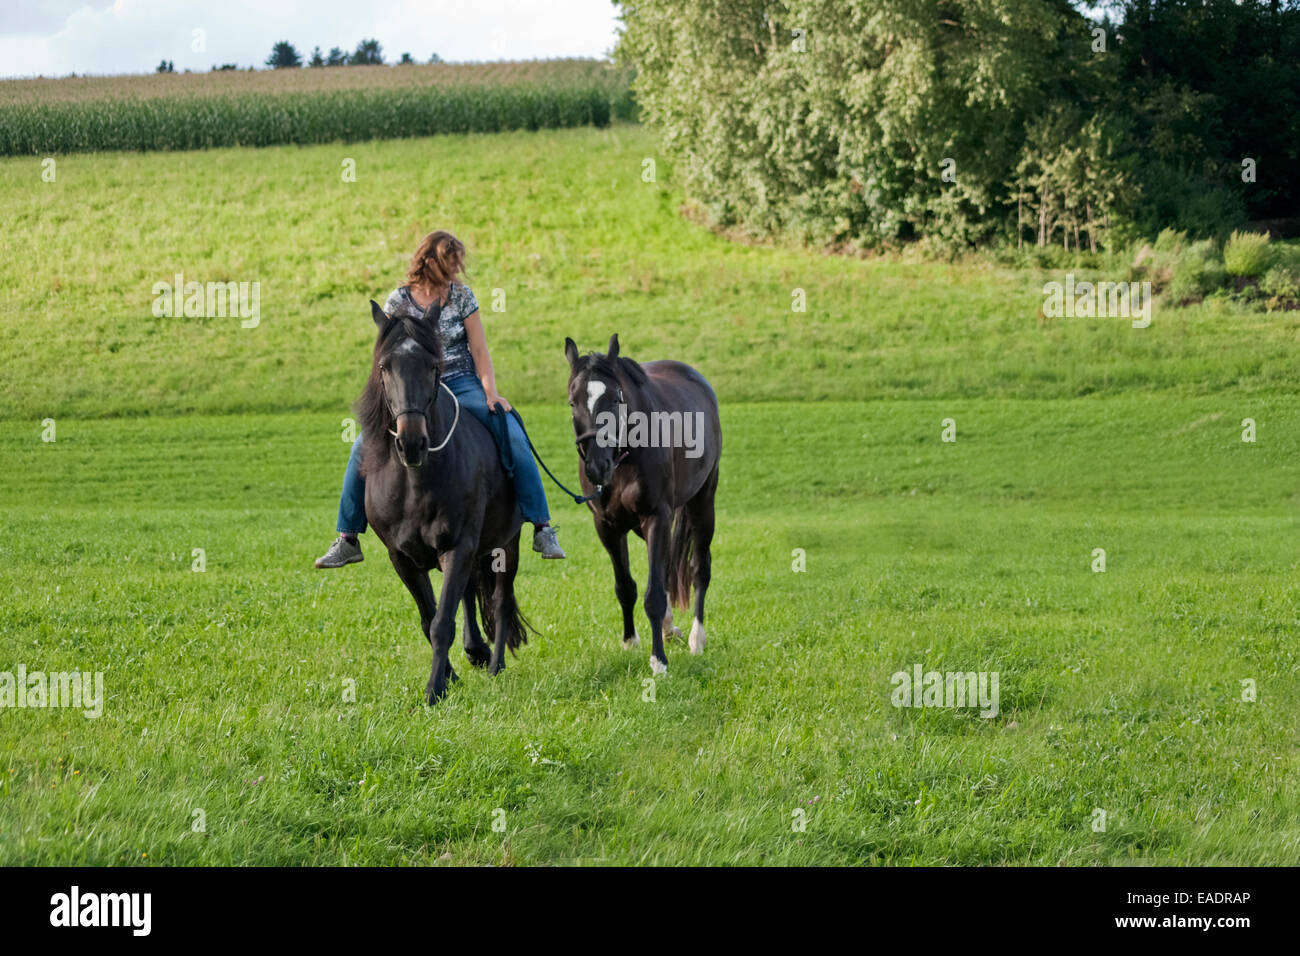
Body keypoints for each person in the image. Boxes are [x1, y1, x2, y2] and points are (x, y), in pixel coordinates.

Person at [315, 230, 564, 568]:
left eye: (458, 262)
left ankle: (542, 526)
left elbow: (479, 350)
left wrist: (490, 392)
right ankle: (347, 538)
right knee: (362, 446)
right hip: (412, 388)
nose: (456, 269)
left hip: (461, 383)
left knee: (513, 434)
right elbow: (386, 359)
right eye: (450, 261)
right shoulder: (398, 302)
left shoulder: (462, 297)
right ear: (428, 260)